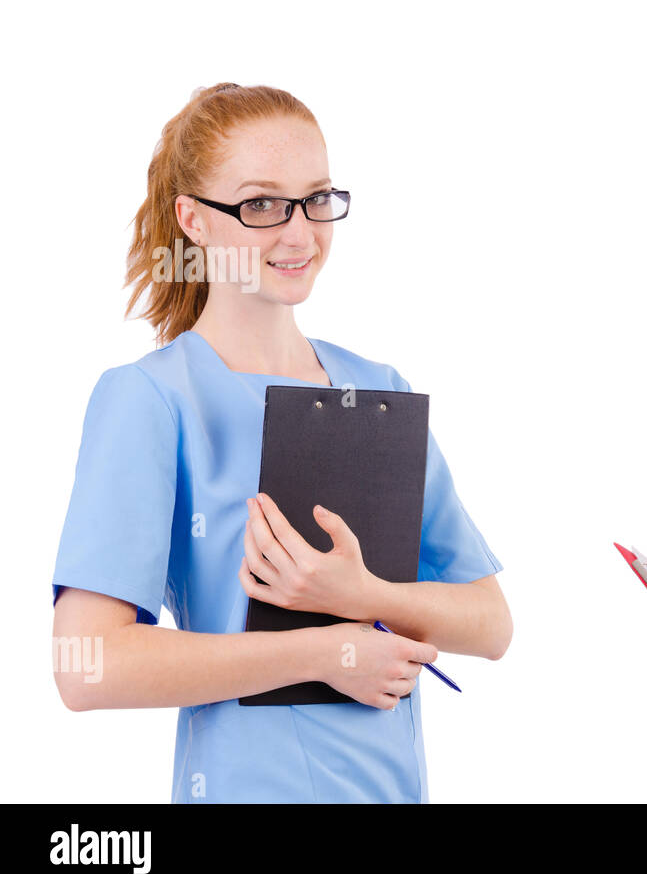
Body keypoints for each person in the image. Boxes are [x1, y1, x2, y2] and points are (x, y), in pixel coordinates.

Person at [50, 83, 512, 803]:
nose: (299, 233)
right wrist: (329, 650)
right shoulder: (151, 399)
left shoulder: (376, 387)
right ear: (194, 219)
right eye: (262, 204)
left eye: (317, 198)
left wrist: (365, 594)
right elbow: (87, 664)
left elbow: (490, 622)